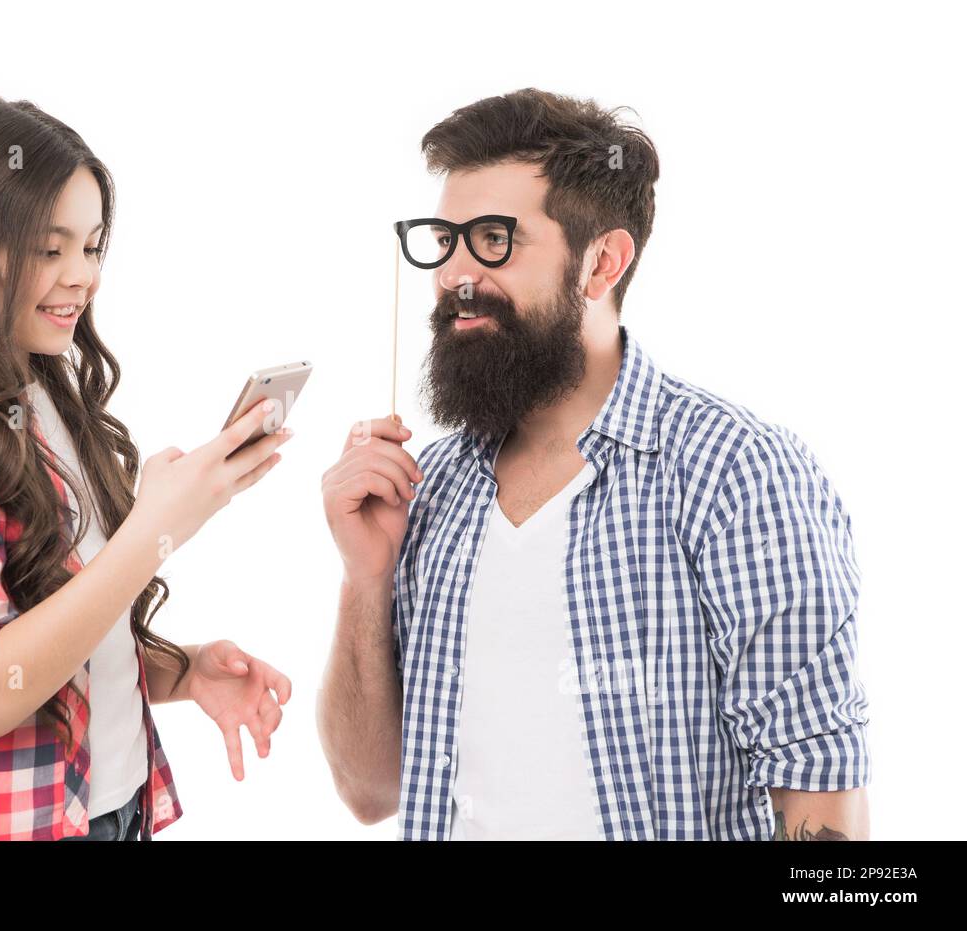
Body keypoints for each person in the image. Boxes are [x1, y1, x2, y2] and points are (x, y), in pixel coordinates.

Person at [317, 87, 871, 841]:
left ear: (603, 262)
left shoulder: (735, 474)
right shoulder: (431, 487)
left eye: (493, 239)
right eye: (442, 240)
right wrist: (366, 578)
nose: (455, 274)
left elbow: (821, 808)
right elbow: (372, 789)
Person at [0, 94, 292, 841]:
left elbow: (56, 641)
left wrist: (181, 671)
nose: (81, 277)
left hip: (110, 809)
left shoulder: (46, 390)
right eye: (49, 249)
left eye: (91, 248)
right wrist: (153, 532)